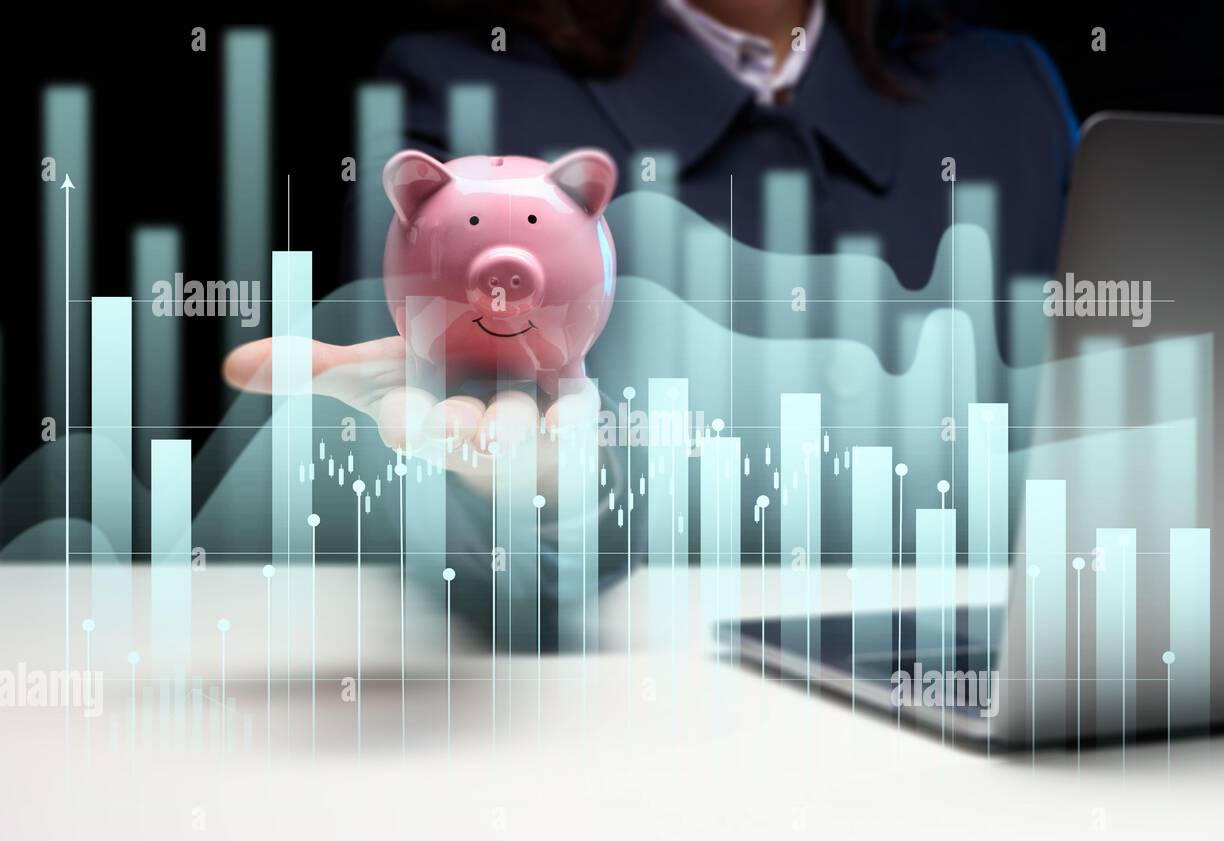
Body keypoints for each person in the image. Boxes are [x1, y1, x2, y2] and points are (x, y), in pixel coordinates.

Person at [223, 0, 1077, 646]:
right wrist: (548, 495)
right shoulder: (459, 96)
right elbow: (433, 513)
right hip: (631, 724)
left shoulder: (1011, 95)